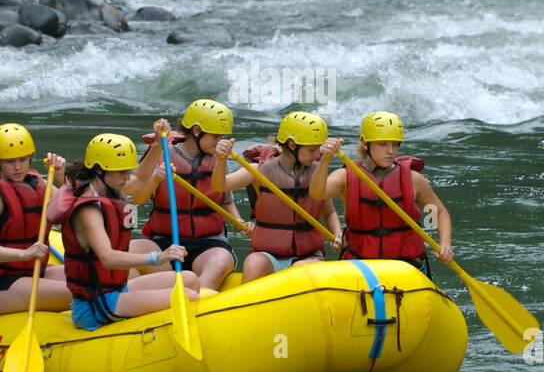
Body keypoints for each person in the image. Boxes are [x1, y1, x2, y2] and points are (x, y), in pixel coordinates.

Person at [48, 133, 201, 331]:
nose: (126, 177)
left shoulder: (110, 188)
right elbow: (107, 258)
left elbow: (139, 178)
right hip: (95, 305)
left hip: (116, 289)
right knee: (190, 297)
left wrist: (156, 144)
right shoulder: (88, 210)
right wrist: (158, 257)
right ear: (99, 170)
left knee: (191, 280)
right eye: (121, 172)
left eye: (126, 171)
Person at [309, 111, 454, 277]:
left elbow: (437, 212)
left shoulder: (413, 180)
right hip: (361, 266)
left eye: (395, 144)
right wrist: (325, 159)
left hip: (404, 266)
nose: (390, 151)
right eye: (383, 144)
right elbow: (317, 193)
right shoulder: (347, 177)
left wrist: (445, 244)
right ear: (365, 144)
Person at [127, 100, 247, 291]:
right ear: (197, 131)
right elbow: (138, 199)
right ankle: (139, 301)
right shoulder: (164, 155)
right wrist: (156, 179)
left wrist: (239, 221)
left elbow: (226, 200)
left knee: (221, 260)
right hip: (165, 243)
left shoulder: (218, 160)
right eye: (216, 136)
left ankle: (198, 301)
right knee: (128, 251)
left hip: (209, 244)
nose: (220, 141)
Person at [211, 111, 342, 284]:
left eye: (319, 148)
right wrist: (221, 160)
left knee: (300, 271)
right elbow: (220, 185)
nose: (317, 154)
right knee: (253, 262)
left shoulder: (317, 173)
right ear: (292, 145)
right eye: (312, 149)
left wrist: (337, 233)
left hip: (307, 256)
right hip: (269, 255)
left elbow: (330, 213)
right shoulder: (260, 170)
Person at [0, 123, 71, 318]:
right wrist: (25, 254)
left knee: (99, 279)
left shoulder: (39, 184)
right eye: (11, 161)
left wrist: (62, 179)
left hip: (34, 271)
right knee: (82, 291)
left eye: (23, 159)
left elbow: (73, 213)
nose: (18, 167)